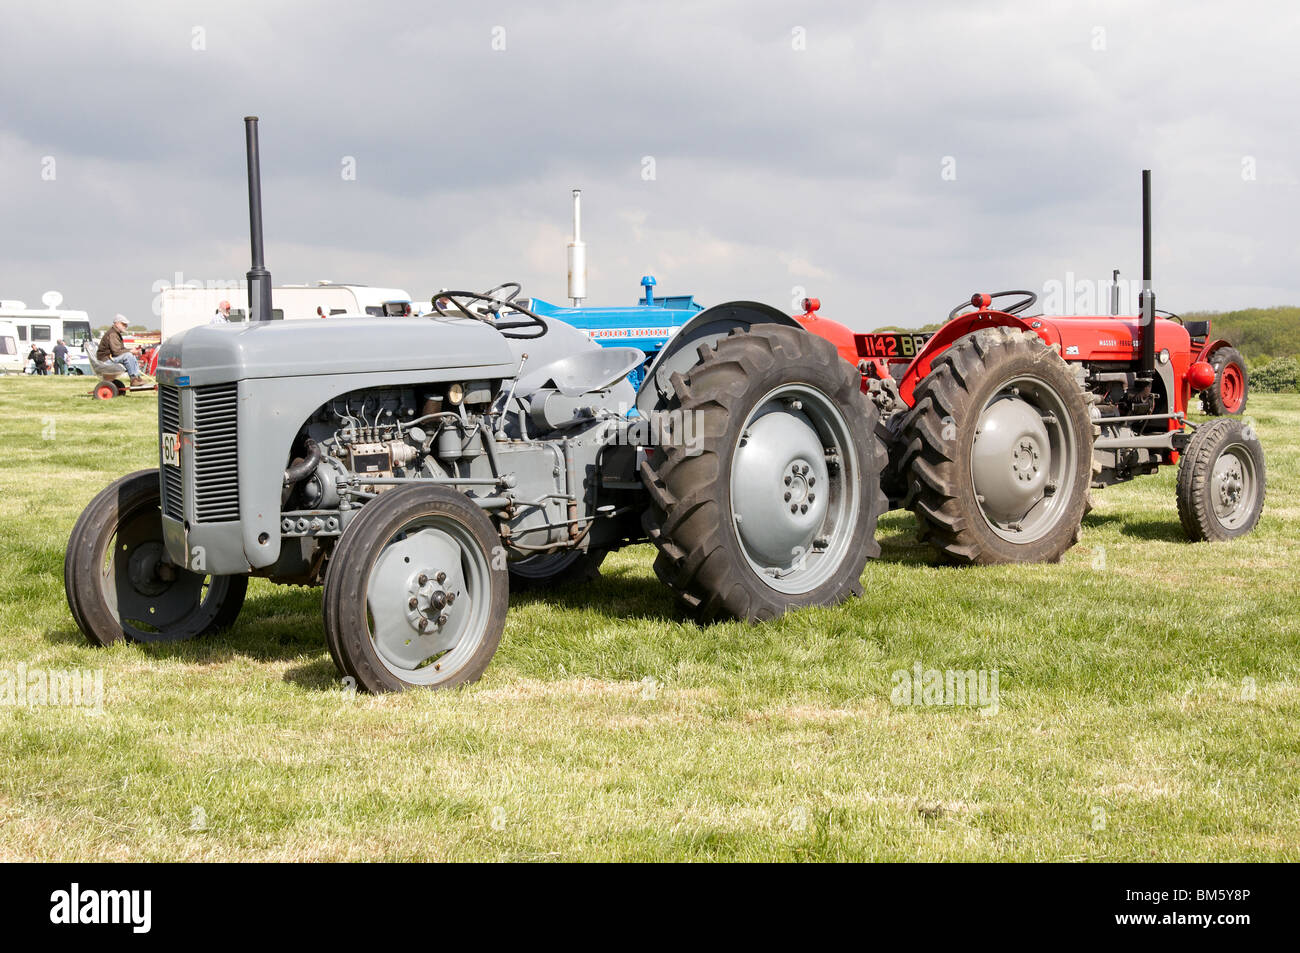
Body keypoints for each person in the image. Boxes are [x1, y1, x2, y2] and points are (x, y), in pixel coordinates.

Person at [96, 315, 144, 385]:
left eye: (126, 324)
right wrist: (130, 351)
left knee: (131, 355)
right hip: (105, 360)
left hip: (108, 359)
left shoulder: (115, 333)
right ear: (117, 323)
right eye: (123, 324)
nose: (126, 326)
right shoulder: (113, 334)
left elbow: (120, 350)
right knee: (128, 356)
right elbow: (116, 352)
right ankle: (133, 379)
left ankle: (137, 377)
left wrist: (131, 350)